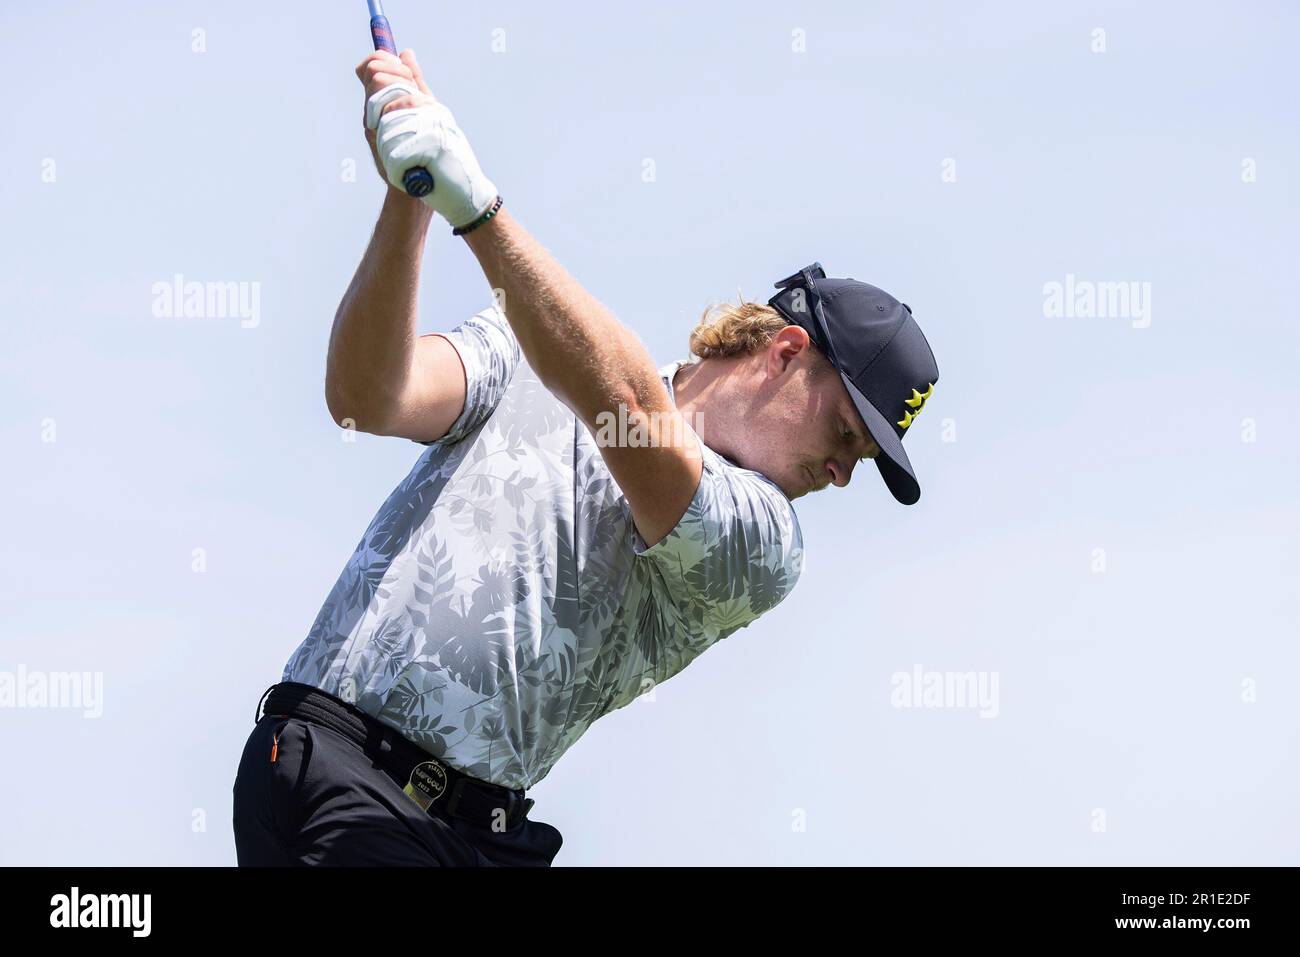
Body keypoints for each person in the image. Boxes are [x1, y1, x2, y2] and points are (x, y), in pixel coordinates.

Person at [232, 47, 940, 867]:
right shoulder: (529, 347)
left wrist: (479, 207)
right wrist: (412, 192)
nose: (842, 472)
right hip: (319, 766)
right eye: (847, 434)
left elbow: (630, 411)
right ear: (785, 351)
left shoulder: (765, 544)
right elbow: (367, 396)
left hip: (456, 836)